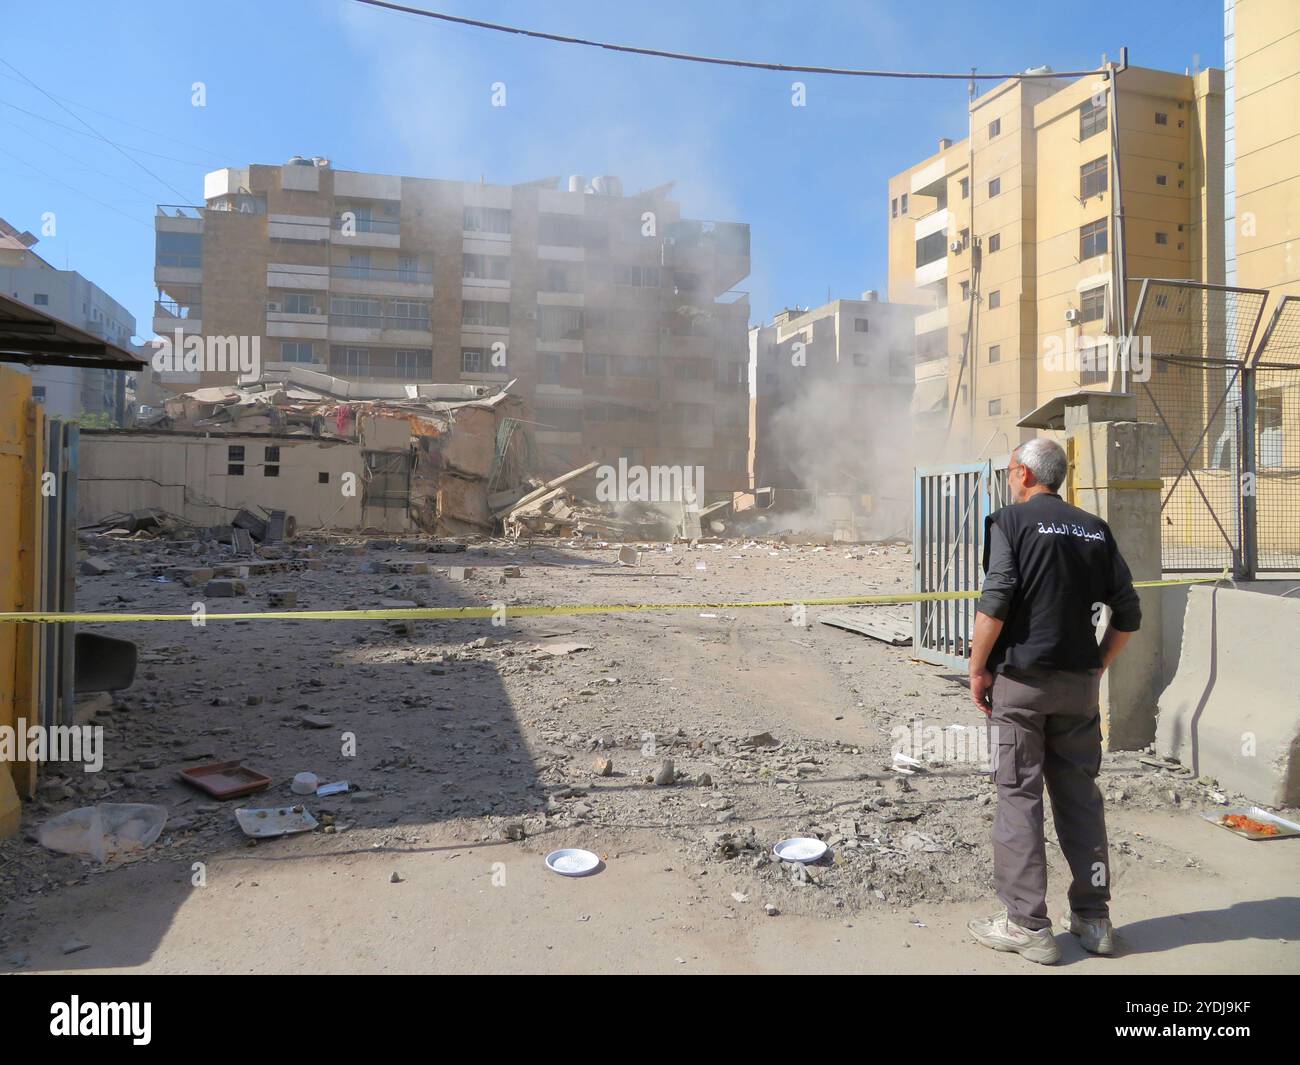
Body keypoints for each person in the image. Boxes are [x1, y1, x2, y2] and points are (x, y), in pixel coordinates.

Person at [965, 437, 1141, 964]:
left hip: (1023, 683)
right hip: (1079, 688)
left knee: (1019, 796)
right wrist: (1097, 666)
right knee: (1081, 797)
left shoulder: (1009, 523)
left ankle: (1026, 924)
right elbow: (1128, 612)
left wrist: (976, 669)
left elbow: (996, 599)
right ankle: (1094, 919)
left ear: (1022, 473)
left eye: (1008, 470)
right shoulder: (1094, 528)